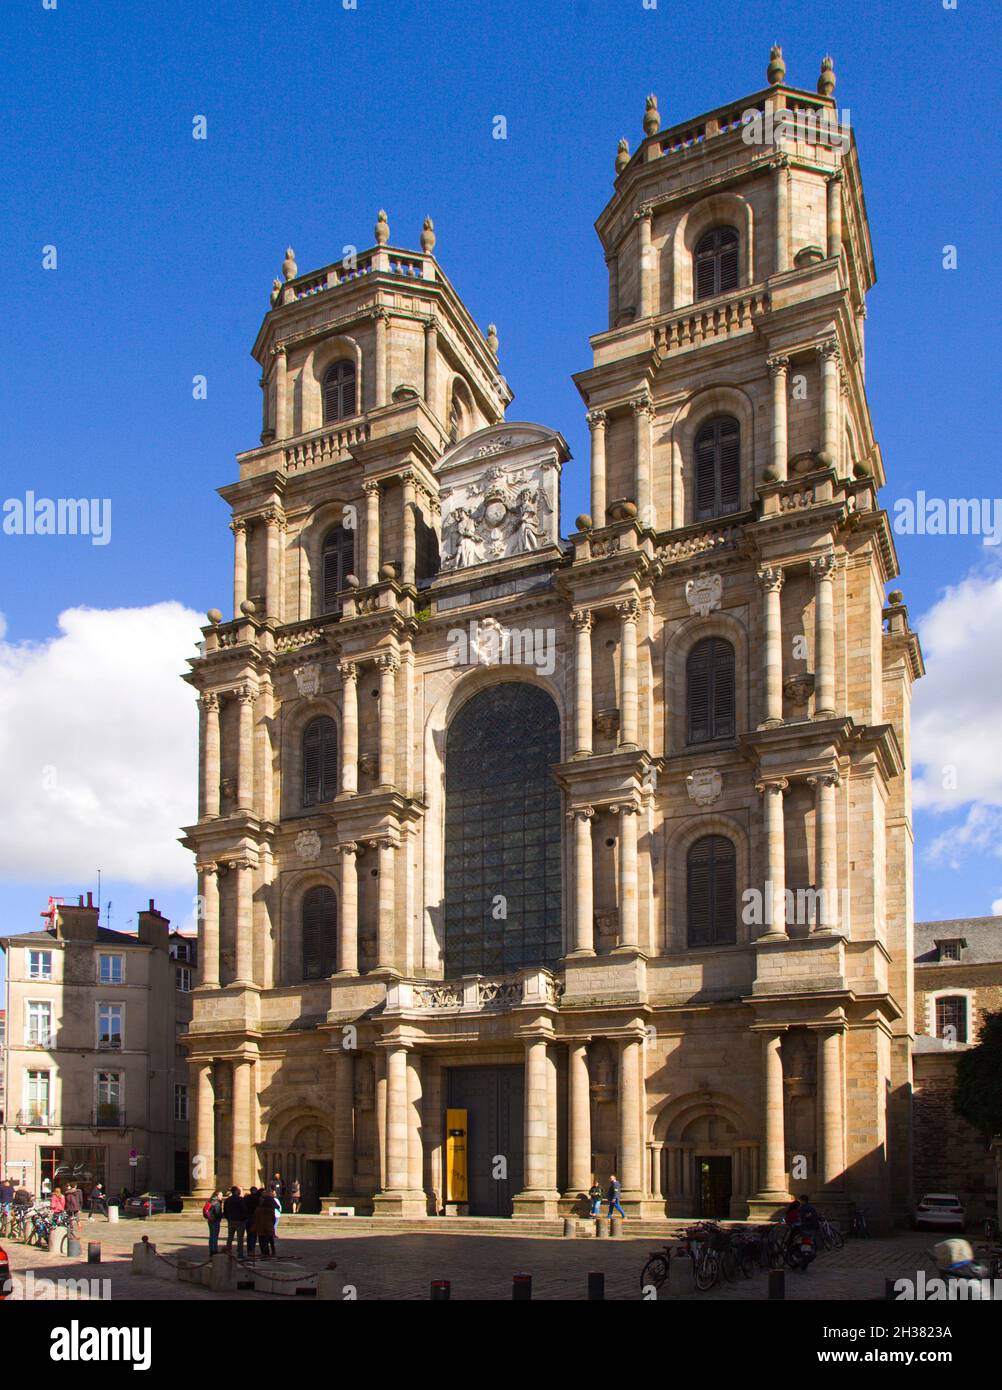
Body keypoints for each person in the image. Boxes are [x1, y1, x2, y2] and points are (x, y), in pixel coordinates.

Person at [254, 1188, 279, 1259]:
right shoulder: (268, 1209)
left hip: (263, 1226)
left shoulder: (259, 1209)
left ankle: (265, 1253)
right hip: (267, 1226)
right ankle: (270, 1252)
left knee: (263, 1240)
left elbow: (256, 1217)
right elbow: (273, 1219)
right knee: (268, 1239)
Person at [223, 1186, 246, 1257]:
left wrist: (228, 1218)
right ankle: (240, 1253)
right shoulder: (240, 1199)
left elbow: (225, 1210)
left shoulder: (227, 1200)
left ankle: (228, 1251)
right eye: (239, 1190)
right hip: (239, 1221)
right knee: (240, 1238)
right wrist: (243, 1218)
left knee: (230, 1237)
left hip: (231, 1220)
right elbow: (244, 1210)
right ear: (236, 1191)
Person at [203, 1191, 223, 1256]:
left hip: (210, 1220)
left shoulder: (210, 1201)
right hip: (215, 1221)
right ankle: (215, 1250)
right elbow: (217, 1213)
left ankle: (211, 1250)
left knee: (211, 1235)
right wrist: (222, 1215)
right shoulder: (217, 1203)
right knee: (215, 1236)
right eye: (220, 1195)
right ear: (217, 1196)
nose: (222, 1196)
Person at [243, 1187, 260, 1258]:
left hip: (247, 1217)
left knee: (249, 1234)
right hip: (254, 1218)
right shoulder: (258, 1198)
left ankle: (249, 1250)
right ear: (255, 1191)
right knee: (253, 1235)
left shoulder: (246, 1198)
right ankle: (252, 1249)